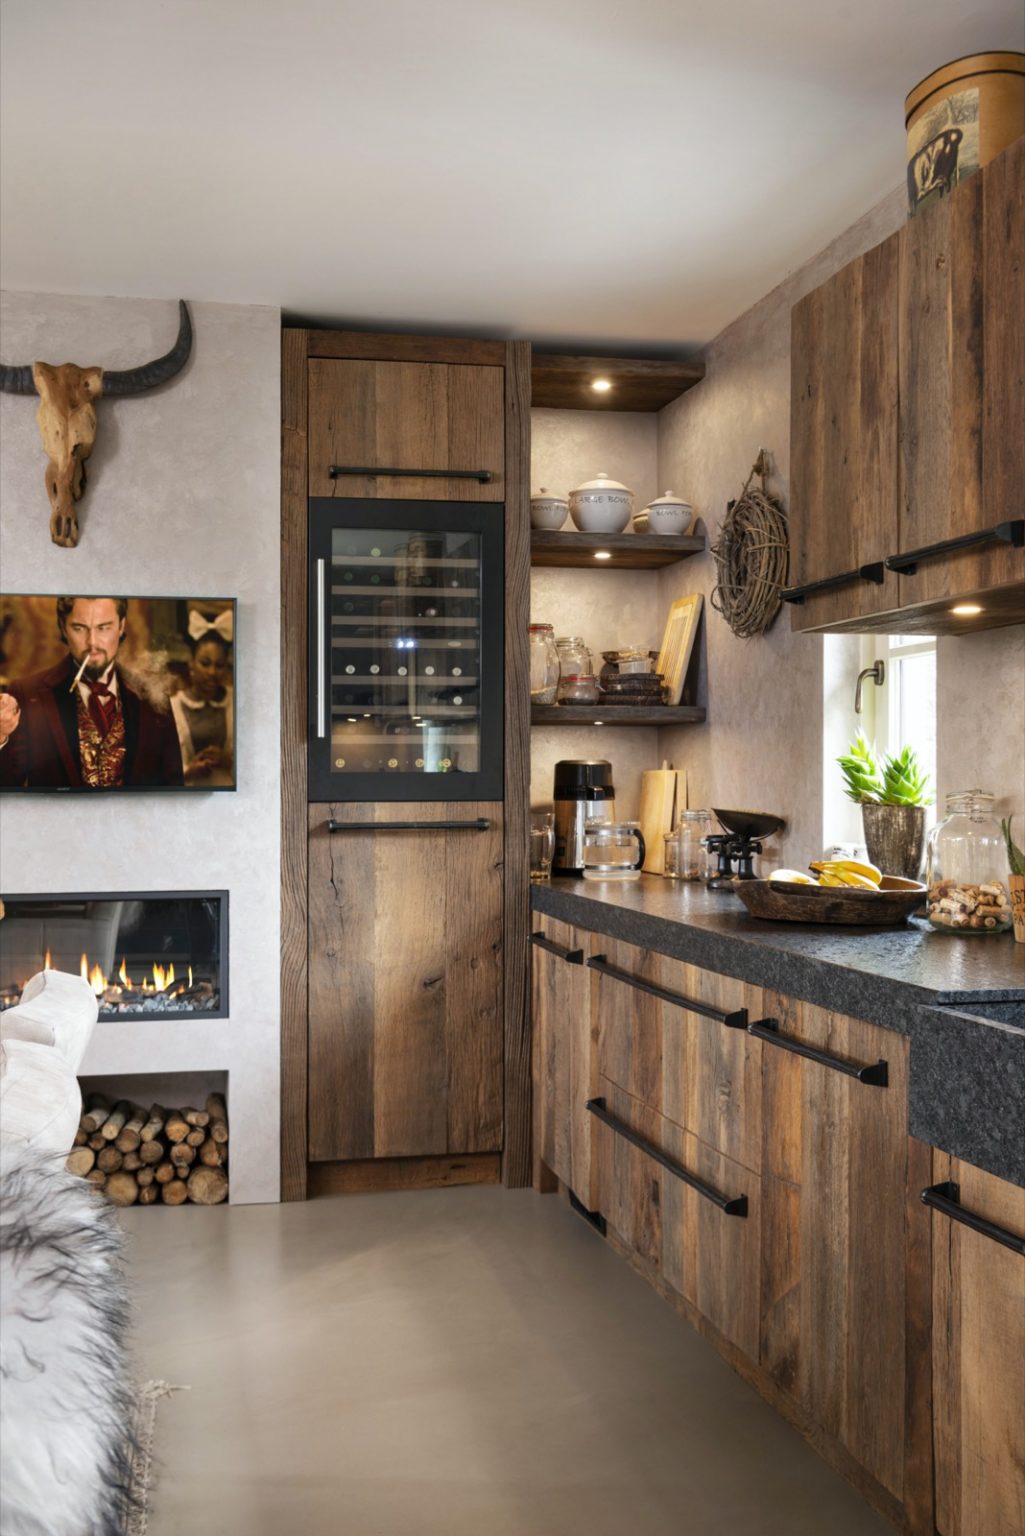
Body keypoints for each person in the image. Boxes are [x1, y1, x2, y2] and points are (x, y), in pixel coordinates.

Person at [0, 596, 184, 789]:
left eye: (104, 627)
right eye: (79, 628)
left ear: (121, 626)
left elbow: (173, 787)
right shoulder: (28, 693)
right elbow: (5, 789)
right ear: (63, 628)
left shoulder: (153, 696)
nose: (92, 643)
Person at [170, 611, 235, 787]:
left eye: (219, 665)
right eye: (205, 663)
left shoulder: (234, 704)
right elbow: (160, 770)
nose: (212, 672)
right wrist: (189, 771)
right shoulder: (174, 708)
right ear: (191, 663)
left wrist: (228, 761)